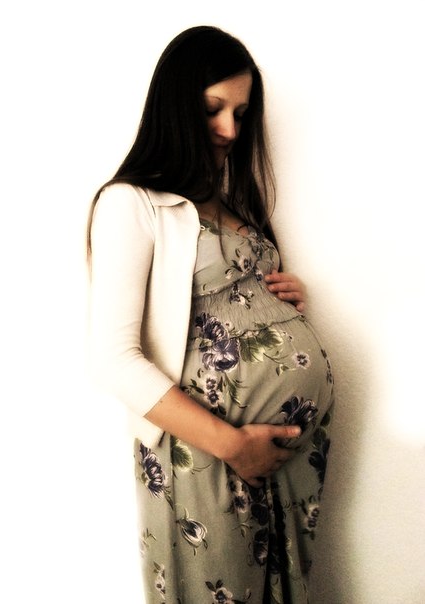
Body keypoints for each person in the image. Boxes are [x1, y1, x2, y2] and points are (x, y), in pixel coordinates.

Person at [87, 25, 334, 604]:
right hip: (207, 454)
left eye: (241, 114)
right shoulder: (131, 204)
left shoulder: (232, 204)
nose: (230, 129)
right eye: (212, 109)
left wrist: (286, 299)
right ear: (174, 105)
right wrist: (232, 445)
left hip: (276, 462)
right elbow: (113, 360)